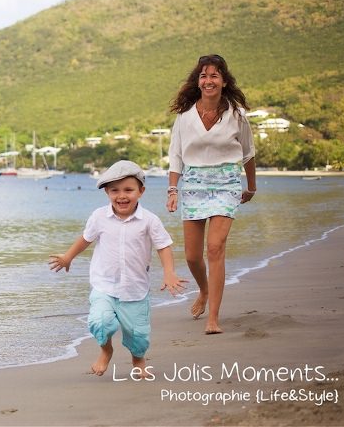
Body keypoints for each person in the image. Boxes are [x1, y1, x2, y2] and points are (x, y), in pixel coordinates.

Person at [49, 160, 186, 377]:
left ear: (141, 191)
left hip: (135, 289)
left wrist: (169, 273)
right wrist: (68, 257)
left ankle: (138, 360)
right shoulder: (99, 217)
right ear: (107, 193)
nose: (121, 196)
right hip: (104, 286)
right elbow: (85, 239)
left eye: (128, 190)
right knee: (100, 322)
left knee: (137, 335)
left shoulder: (149, 220)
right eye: (114, 191)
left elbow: (164, 246)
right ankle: (106, 350)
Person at [166, 54, 256, 335]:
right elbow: (176, 156)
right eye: (204, 76)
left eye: (214, 75)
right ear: (198, 81)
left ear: (224, 82)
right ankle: (203, 291)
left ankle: (213, 319)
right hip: (193, 184)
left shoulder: (236, 116)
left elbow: (248, 153)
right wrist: (172, 189)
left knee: (215, 248)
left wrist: (251, 186)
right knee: (193, 256)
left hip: (227, 183)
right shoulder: (184, 117)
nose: (209, 80)